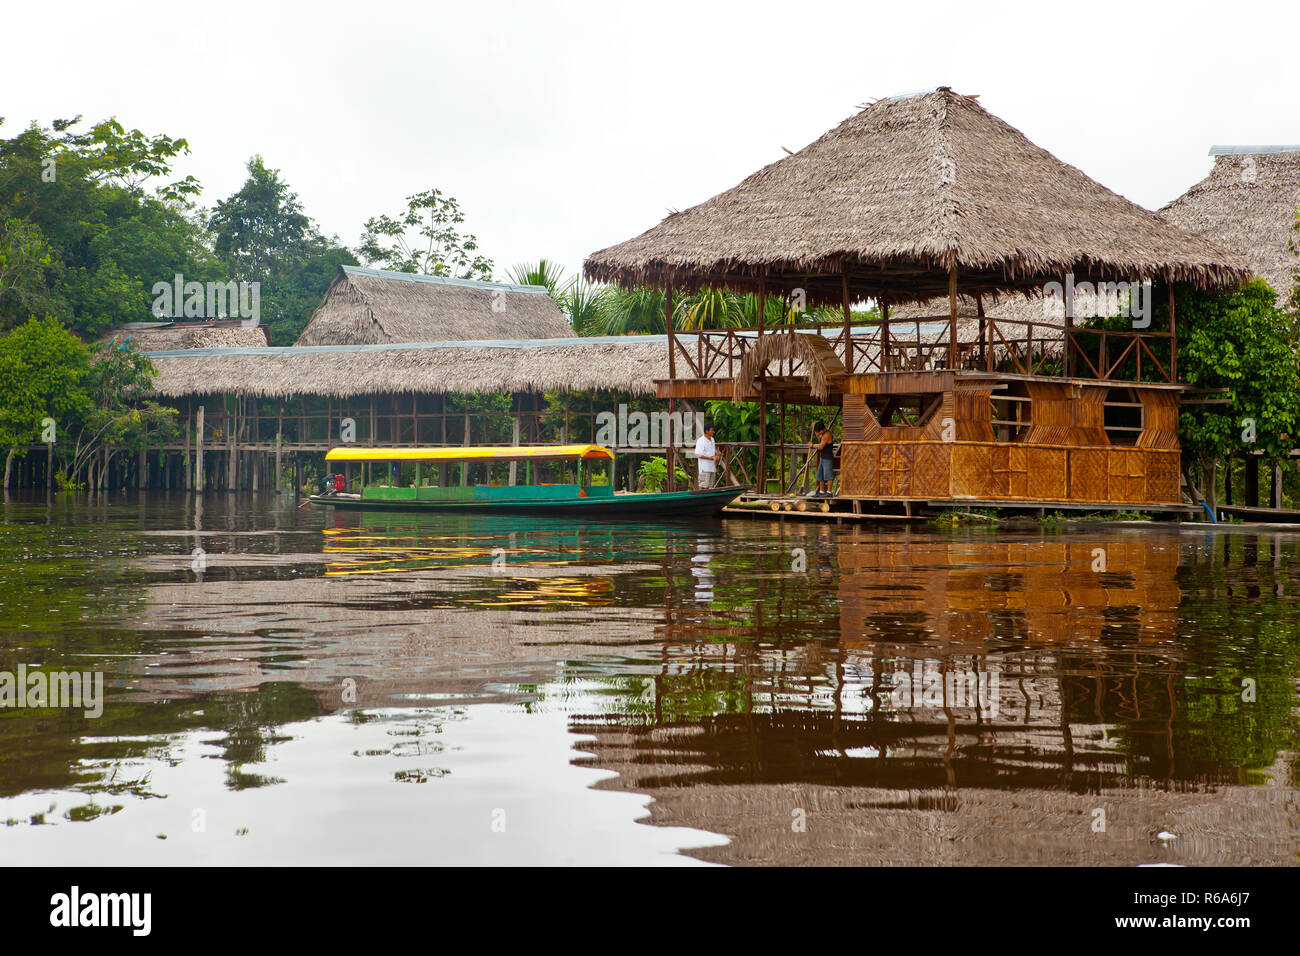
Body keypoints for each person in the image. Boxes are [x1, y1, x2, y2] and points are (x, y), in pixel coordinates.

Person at [809, 420, 835, 497]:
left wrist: (812, 445)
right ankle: (821, 491)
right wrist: (813, 426)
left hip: (828, 458)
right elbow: (817, 434)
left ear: (822, 430)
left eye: (818, 431)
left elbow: (820, 447)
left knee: (828, 476)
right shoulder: (822, 433)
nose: (817, 433)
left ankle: (829, 492)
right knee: (820, 475)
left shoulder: (826, 435)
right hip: (823, 457)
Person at [694, 421, 717, 489]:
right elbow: (698, 454)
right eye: (712, 430)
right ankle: (699, 499)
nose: (713, 432)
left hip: (712, 467)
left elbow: (712, 450)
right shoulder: (701, 441)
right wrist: (711, 458)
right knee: (702, 486)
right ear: (707, 431)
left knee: (710, 486)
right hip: (703, 468)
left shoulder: (712, 439)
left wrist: (717, 453)